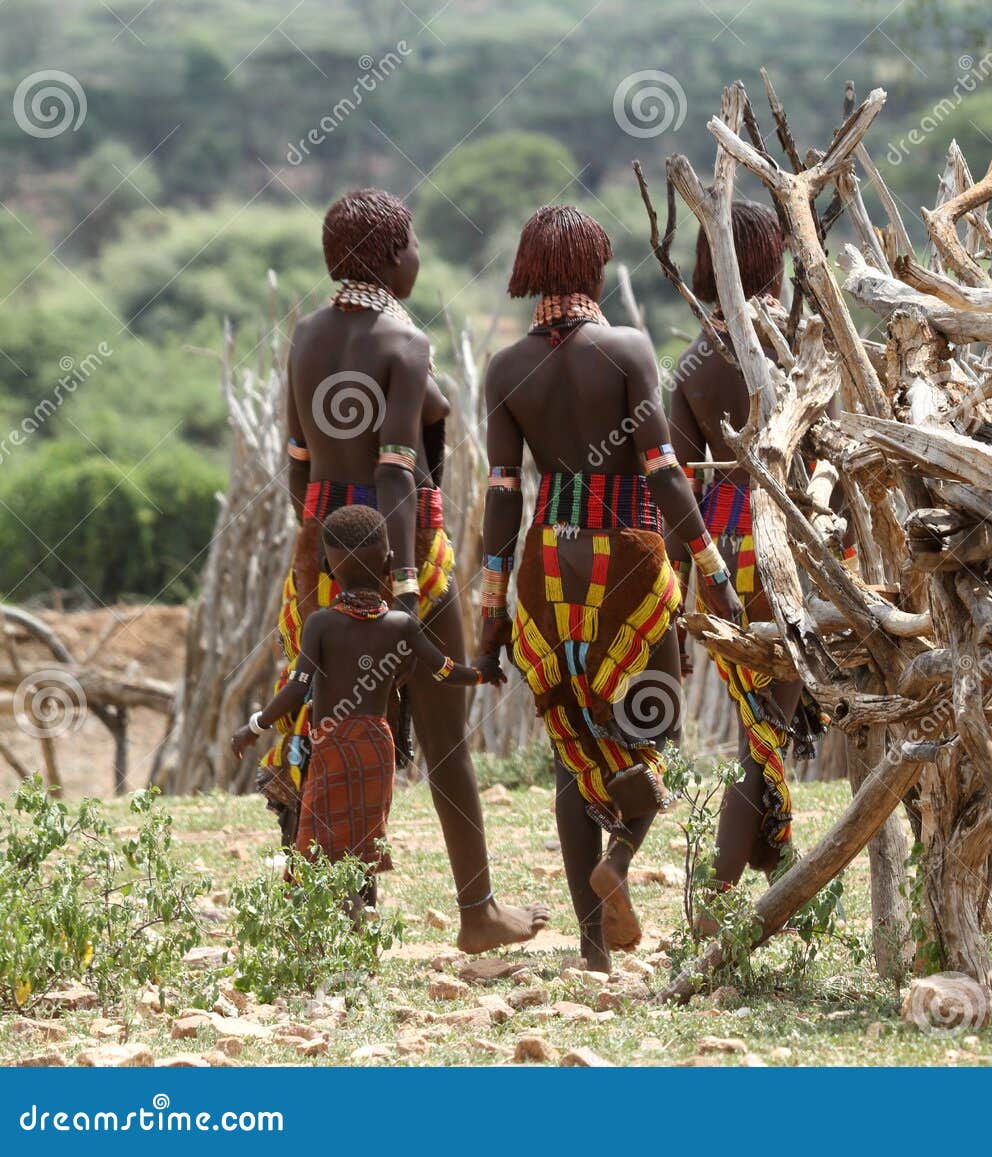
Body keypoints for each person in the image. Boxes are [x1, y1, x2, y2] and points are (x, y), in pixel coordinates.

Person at [259, 187, 546, 952]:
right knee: (445, 737)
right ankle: (478, 911)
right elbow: (394, 473)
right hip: (401, 547)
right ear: (390, 255)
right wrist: (407, 581)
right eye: (413, 241)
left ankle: (328, 918)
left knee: (329, 727)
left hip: (324, 550)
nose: (419, 253)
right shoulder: (405, 340)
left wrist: (323, 543)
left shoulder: (308, 337)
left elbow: (295, 461)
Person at [475, 205, 743, 973]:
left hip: (546, 566)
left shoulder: (504, 369)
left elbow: (501, 498)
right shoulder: (626, 349)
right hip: (627, 558)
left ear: (532, 270)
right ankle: (620, 857)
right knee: (652, 729)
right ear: (591, 270)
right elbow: (662, 470)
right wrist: (714, 574)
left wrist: (491, 622)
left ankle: (593, 947)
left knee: (571, 746)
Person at [232, 505, 504, 908]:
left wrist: (255, 726)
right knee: (363, 840)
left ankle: (322, 932)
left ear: (326, 564)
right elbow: (446, 672)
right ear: (390, 563)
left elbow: (298, 689)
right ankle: (361, 929)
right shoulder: (402, 625)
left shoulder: (321, 624)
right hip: (377, 745)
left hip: (331, 743)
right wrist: (481, 672)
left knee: (318, 842)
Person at [669, 202, 826, 893]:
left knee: (761, 724)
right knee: (761, 734)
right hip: (781, 543)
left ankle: (772, 862)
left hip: (718, 556)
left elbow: (674, 488)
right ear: (772, 262)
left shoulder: (695, 359)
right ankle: (718, 895)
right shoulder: (798, 343)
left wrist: (681, 590)